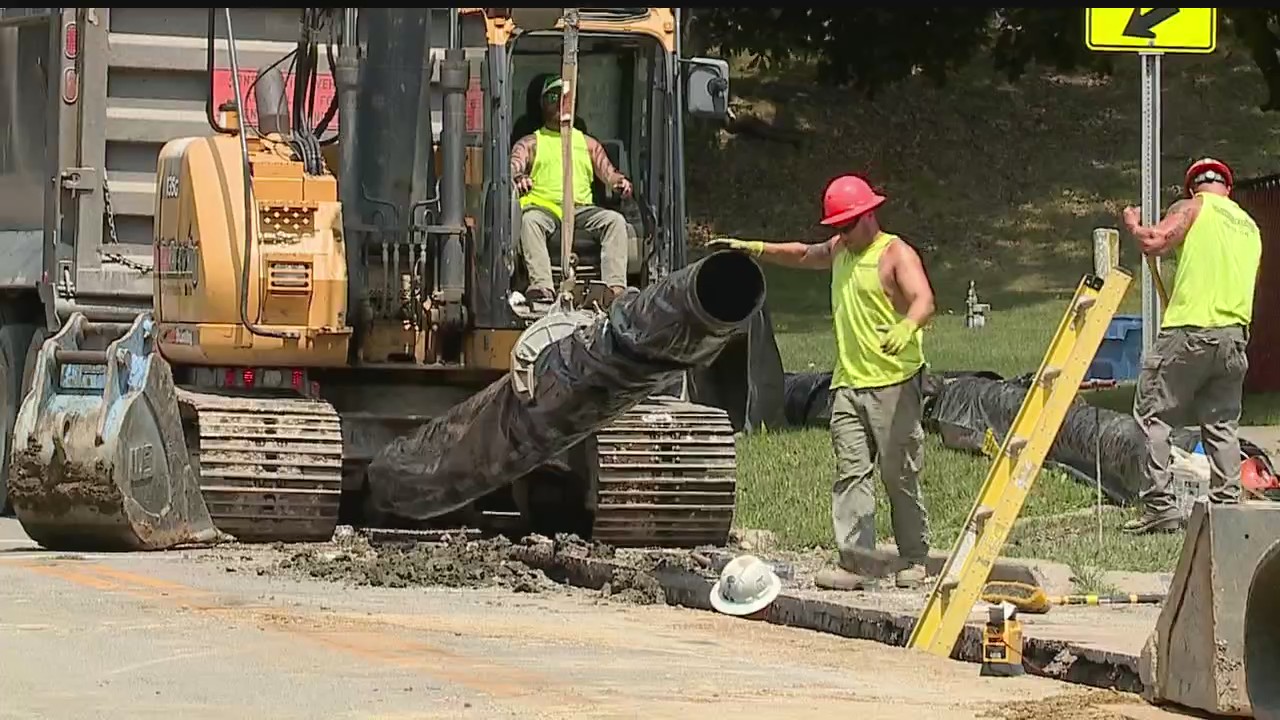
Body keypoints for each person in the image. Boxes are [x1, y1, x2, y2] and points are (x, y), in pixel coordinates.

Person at [709, 174, 937, 590]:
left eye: (847, 225)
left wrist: (908, 325)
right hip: (848, 384)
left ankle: (914, 557)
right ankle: (856, 562)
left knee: (897, 473)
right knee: (851, 473)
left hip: (894, 383)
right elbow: (801, 254)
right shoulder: (839, 250)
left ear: (869, 215)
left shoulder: (894, 253)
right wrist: (755, 249)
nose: (841, 234)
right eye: (836, 228)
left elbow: (924, 298)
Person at [1120, 157, 1262, 534]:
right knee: (1221, 425)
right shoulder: (1250, 227)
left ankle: (1161, 507)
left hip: (1190, 330)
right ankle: (1227, 510)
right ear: (1228, 189)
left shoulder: (1193, 207)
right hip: (1234, 337)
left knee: (1153, 415)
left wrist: (1134, 225)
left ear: (1193, 187)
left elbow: (1155, 241)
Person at [510, 75, 633, 304]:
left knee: (614, 221)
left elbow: (609, 173)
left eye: (565, 97)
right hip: (545, 209)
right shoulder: (531, 142)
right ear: (542, 103)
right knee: (530, 222)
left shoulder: (588, 143)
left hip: (580, 211)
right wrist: (518, 177)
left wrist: (619, 182)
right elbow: (513, 165)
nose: (559, 103)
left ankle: (614, 290)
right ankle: (542, 287)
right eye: (553, 97)